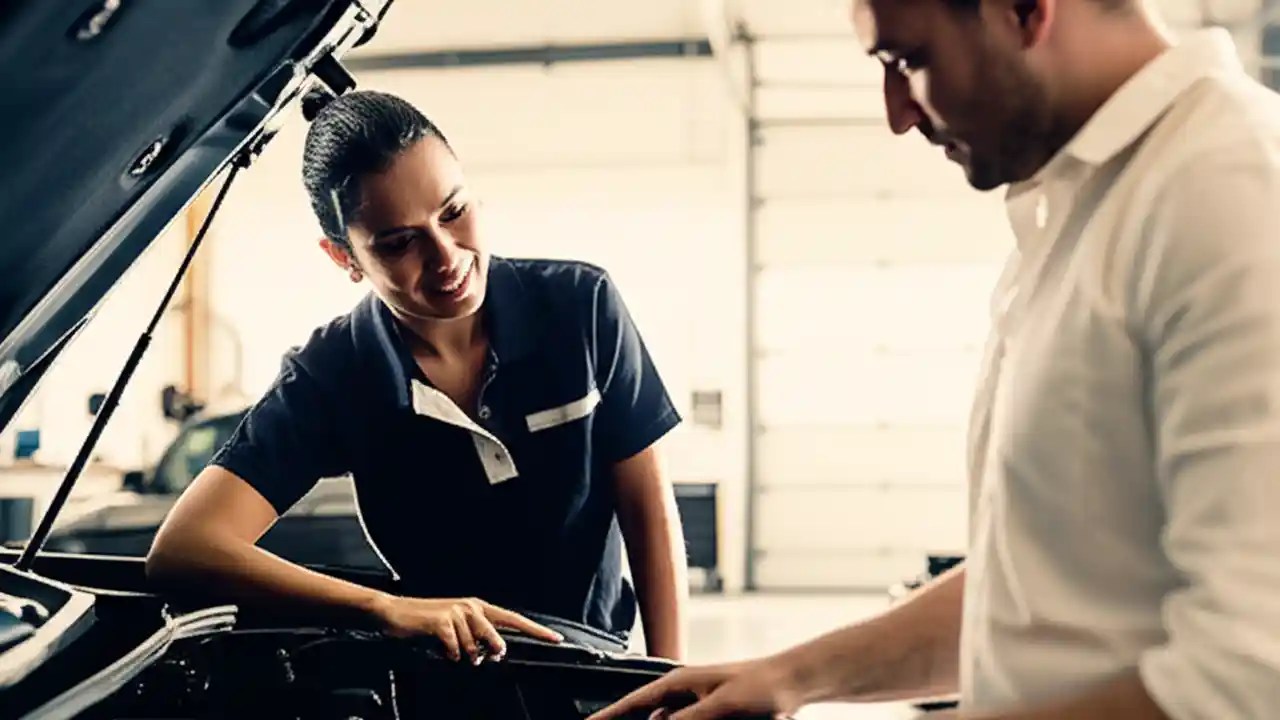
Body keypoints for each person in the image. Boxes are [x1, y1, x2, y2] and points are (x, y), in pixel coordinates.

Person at [591, 0, 1280, 718]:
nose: (898, 113)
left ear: (1021, 11)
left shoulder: (1228, 191)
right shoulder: (1074, 214)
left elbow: (1249, 676)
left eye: (908, 61)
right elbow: (1034, 586)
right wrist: (789, 676)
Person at [145, 89, 690, 663]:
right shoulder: (335, 373)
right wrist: (383, 607)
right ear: (344, 258)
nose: (446, 256)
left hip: (590, 665)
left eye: (454, 212)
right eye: (400, 242)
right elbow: (185, 548)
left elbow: (648, 509)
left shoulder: (582, 308)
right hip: (445, 679)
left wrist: (669, 678)